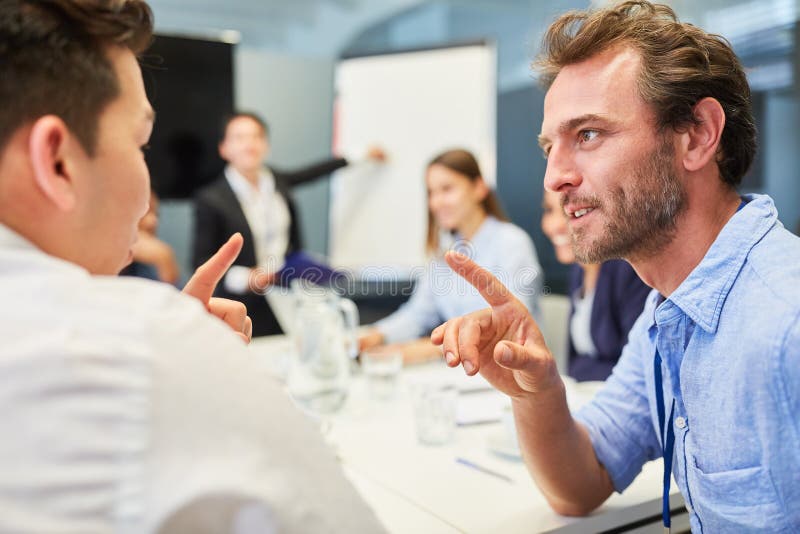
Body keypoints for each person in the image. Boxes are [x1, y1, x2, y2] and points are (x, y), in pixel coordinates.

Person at [0, 1, 384, 532]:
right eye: (141, 144)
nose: (147, 201)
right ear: (57, 162)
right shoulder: (146, 346)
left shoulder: (278, 185)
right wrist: (180, 351)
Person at [432, 2, 800, 531]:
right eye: (550, 147)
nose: (553, 178)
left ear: (697, 134)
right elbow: (581, 483)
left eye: (588, 134)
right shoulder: (667, 312)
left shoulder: (785, 325)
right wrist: (536, 392)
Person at [193, 112, 385, 337]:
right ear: (224, 148)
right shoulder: (211, 199)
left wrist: (361, 155)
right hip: (247, 302)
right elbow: (201, 262)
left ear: (266, 145)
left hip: (288, 283)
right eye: (239, 137)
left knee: (343, 290)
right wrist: (248, 277)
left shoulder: (276, 181)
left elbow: (314, 172)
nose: (249, 144)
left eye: (256, 136)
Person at [360, 149, 542, 363]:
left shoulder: (511, 243)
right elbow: (418, 314)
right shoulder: (446, 252)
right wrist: (375, 336)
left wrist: (428, 349)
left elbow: (511, 323)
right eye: (431, 192)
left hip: (508, 370)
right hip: (460, 370)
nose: (436, 202)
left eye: (447, 189)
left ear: (479, 188)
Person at [541, 189, 650, 381]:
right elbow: (572, 364)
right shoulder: (579, 271)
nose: (555, 225)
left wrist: (583, 370)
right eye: (549, 210)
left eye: (573, 211)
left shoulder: (628, 269)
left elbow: (637, 371)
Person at [120, 190, 182, 284]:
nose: (153, 222)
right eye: (143, 213)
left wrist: (165, 264)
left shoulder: (148, 263)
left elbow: (176, 292)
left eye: (157, 214)